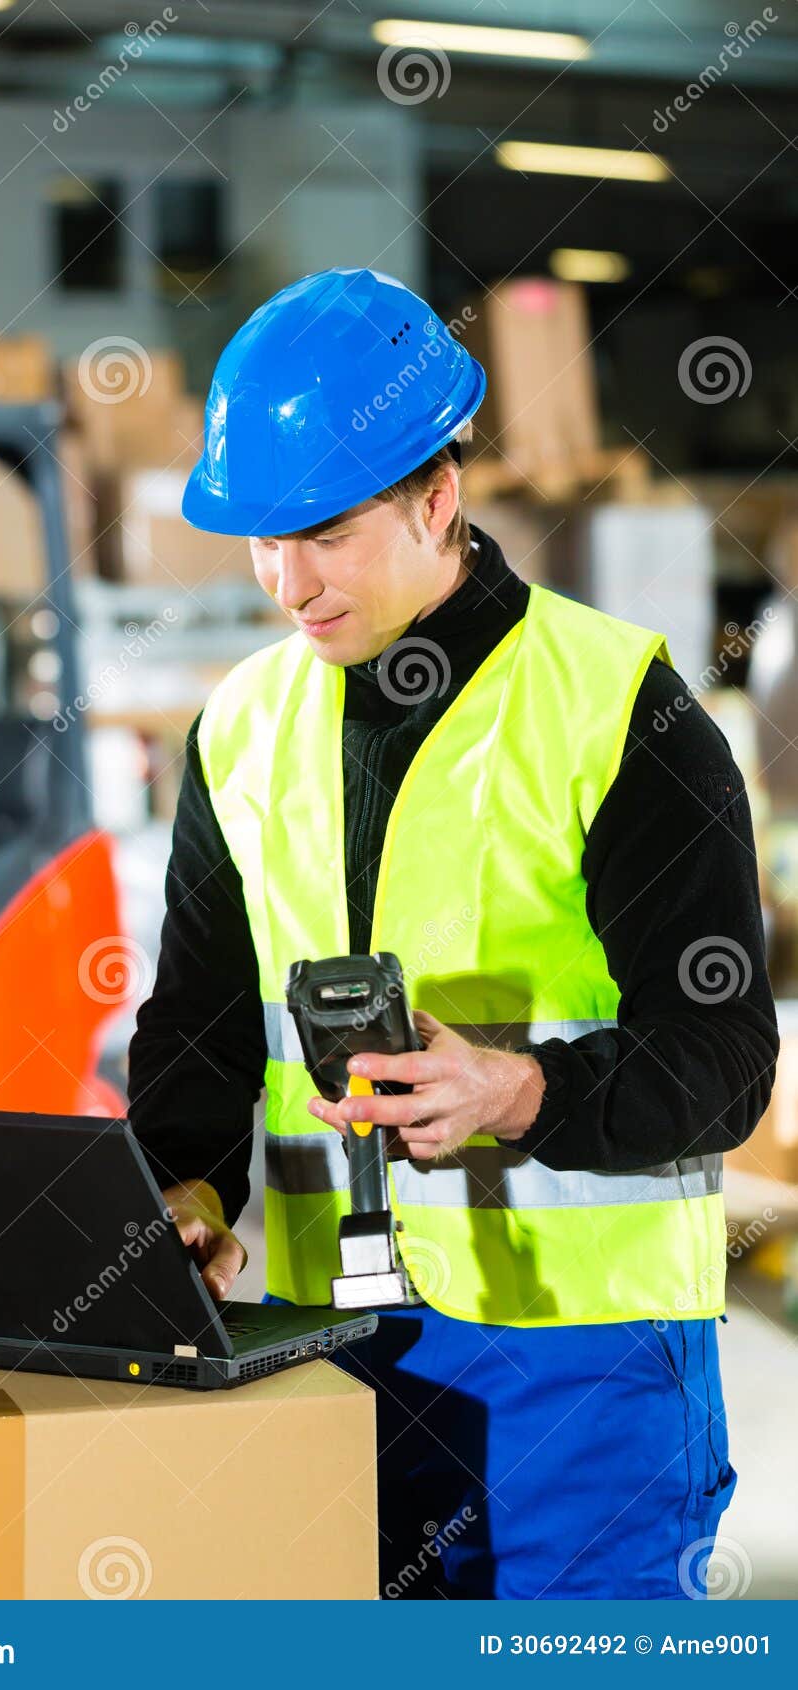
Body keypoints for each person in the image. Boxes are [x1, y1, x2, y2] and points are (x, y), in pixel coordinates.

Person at [127, 268, 778, 1599]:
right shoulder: (241, 730)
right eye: (260, 538)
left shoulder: (622, 715)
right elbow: (194, 1019)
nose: (285, 583)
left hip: (585, 1375)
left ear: (439, 497)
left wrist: (523, 1089)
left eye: (323, 533)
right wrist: (184, 1190)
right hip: (334, 1357)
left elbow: (725, 1060)